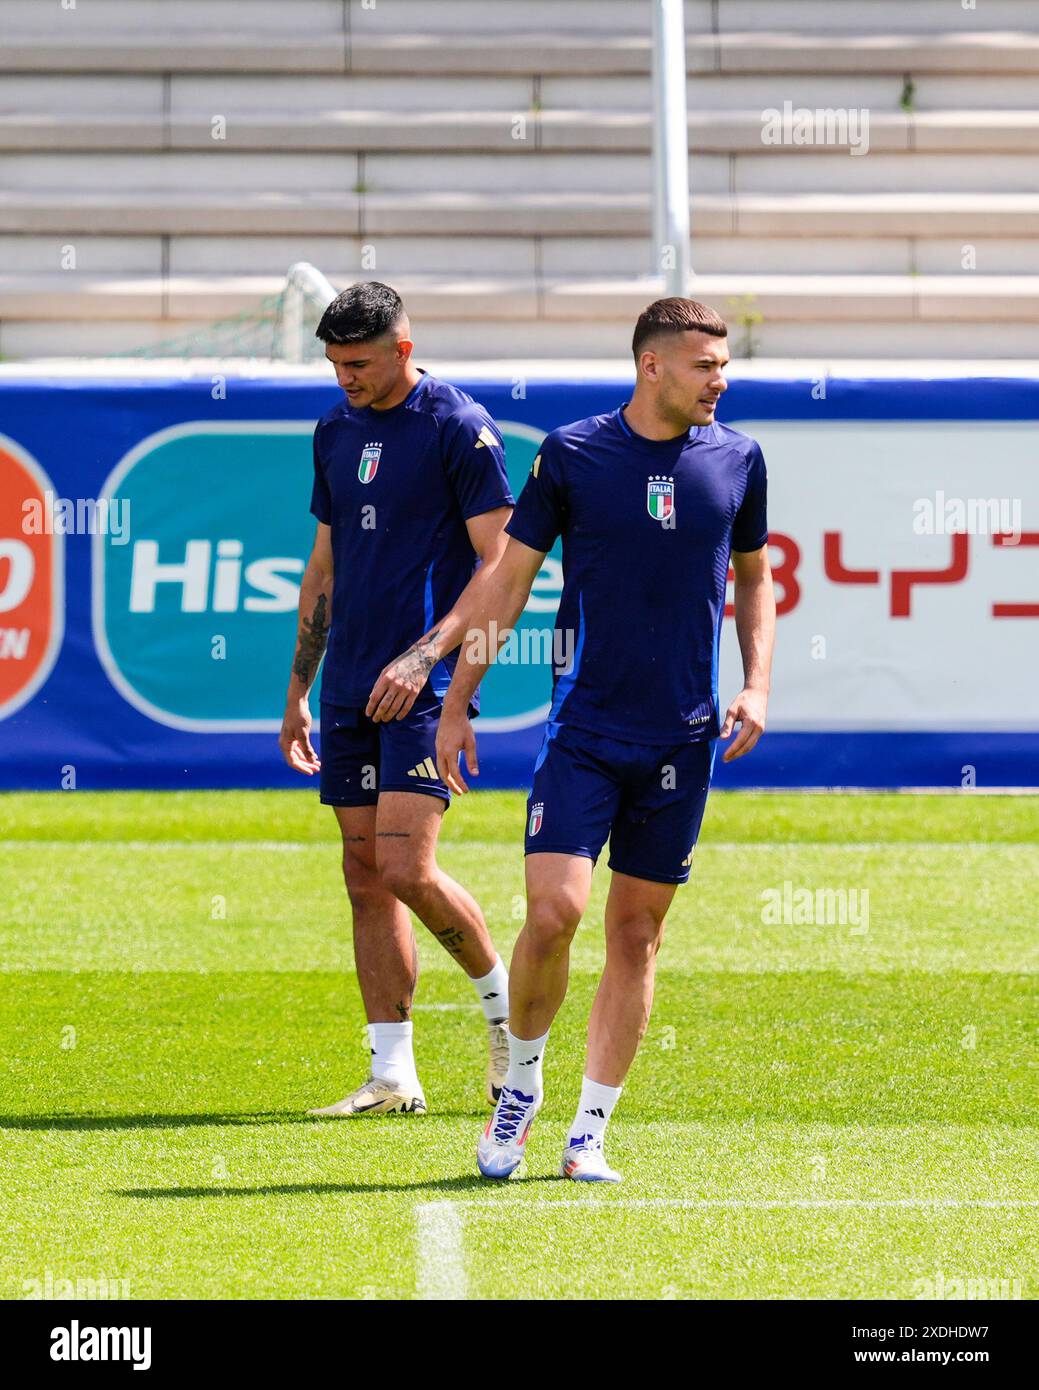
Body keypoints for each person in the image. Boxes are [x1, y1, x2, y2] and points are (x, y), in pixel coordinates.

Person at [435, 297, 776, 1180]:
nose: (720, 381)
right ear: (652, 366)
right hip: (584, 730)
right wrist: (457, 700)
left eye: (723, 365)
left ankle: (589, 1131)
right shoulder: (571, 452)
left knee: (636, 935)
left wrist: (757, 683)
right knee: (555, 914)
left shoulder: (739, 458)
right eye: (705, 366)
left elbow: (754, 581)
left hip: (684, 737)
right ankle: (523, 1089)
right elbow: (506, 584)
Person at [279, 281, 515, 1116]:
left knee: (406, 866)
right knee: (363, 874)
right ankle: (391, 1075)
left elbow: (500, 563)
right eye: (336, 363)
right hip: (347, 685)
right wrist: (298, 688)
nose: (346, 378)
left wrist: (424, 656)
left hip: (423, 684)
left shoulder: (458, 426)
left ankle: (508, 1020)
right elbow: (324, 565)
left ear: (403, 349)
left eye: (360, 363)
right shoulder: (335, 428)